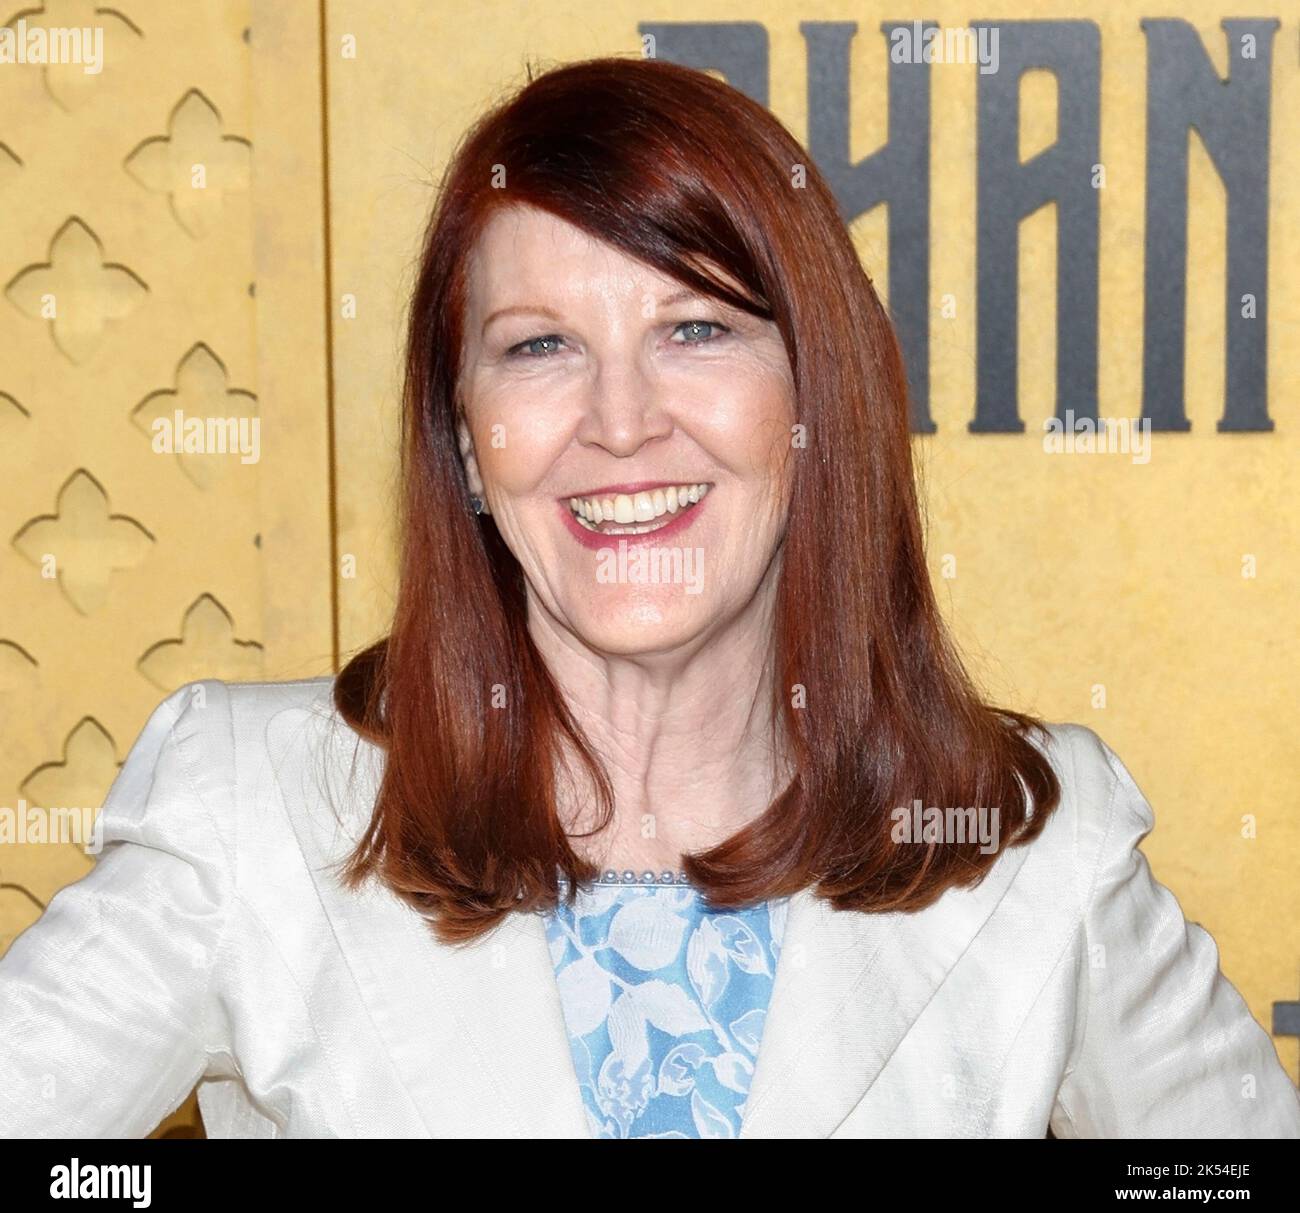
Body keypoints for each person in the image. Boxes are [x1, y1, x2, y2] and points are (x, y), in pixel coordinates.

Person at [1, 54, 1297, 1139]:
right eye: (539, 347)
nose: (620, 425)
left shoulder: (1031, 845)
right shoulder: (252, 808)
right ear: (465, 434)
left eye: (697, 330)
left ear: (815, 397)